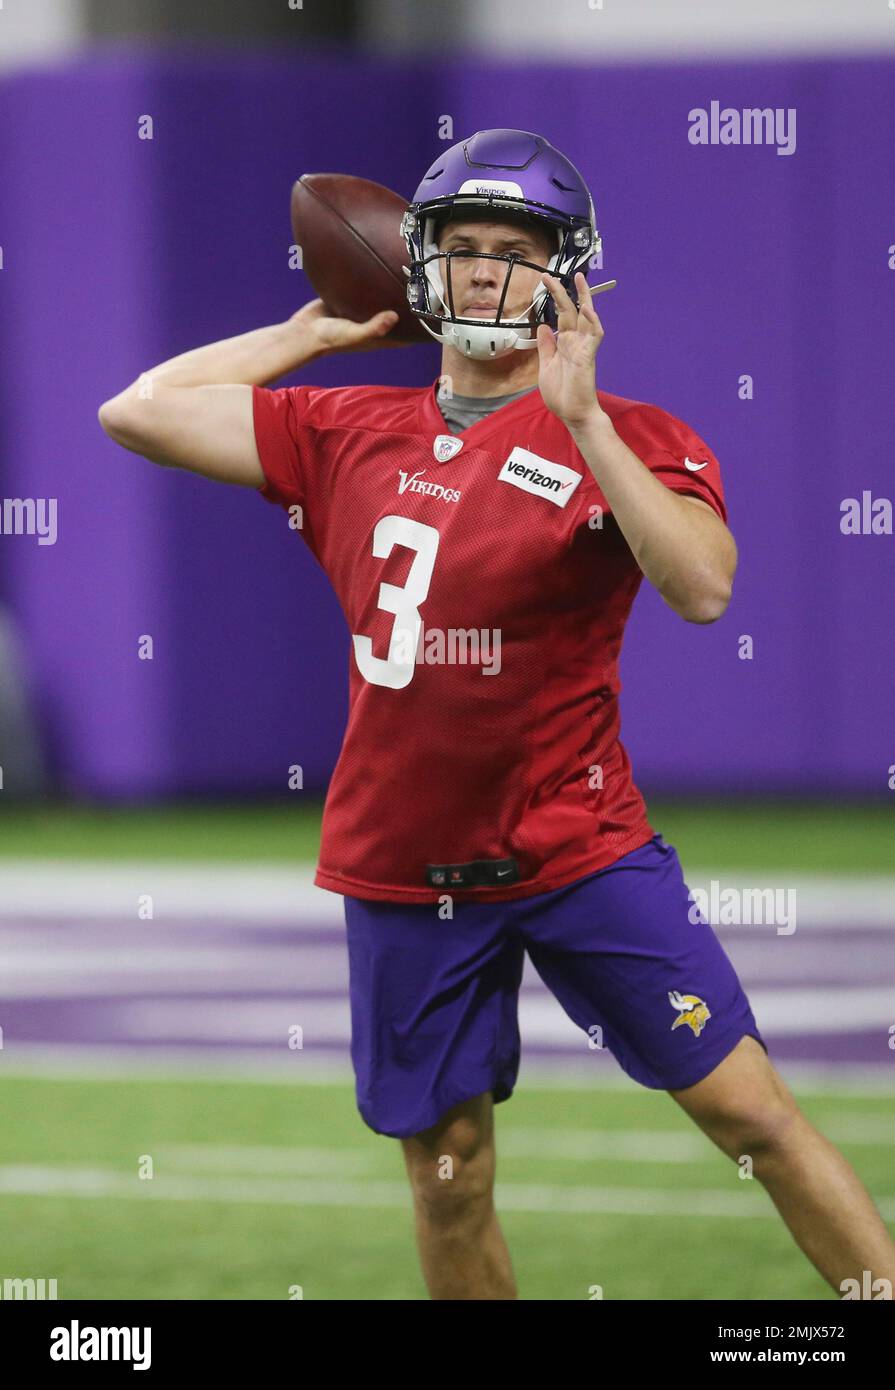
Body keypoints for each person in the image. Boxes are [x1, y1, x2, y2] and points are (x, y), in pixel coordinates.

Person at [99, 128, 895, 1301]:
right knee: (449, 1177)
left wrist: (583, 422)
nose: (485, 274)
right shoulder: (345, 428)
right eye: (461, 249)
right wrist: (305, 335)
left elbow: (701, 585)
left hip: (577, 847)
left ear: (567, 274)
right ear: (419, 265)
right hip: (402, 861)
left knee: (750, 1113)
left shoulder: (631, 433)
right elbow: (139, 410)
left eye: (514, 252)